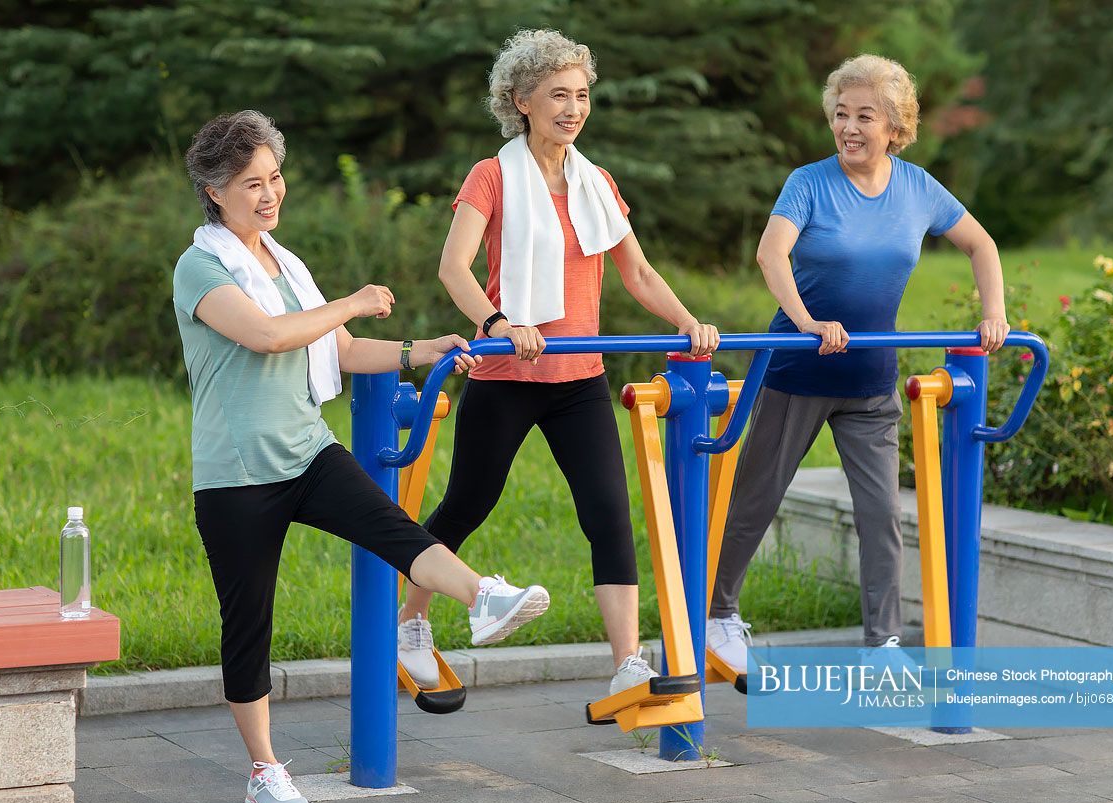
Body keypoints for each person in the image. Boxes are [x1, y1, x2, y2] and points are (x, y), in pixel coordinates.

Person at [175, 110, 551, 803]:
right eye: (252, 183)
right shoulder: (200, 266)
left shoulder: (283, 264)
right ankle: (264, 769)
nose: (269, 193)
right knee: (248, 624)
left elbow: (341, 349)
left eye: (275, 177)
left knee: (394, 528)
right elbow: (266, 335)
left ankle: (483, 597)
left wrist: (420, 349)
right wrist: (351, 301)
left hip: (306, 450)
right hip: (236, 475)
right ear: (215, 191)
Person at [395, 29, 721, 698]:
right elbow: (453, 268)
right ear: (521, 101)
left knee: (608, 516)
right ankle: (408, 625)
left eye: (581, 96)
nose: (573, 109)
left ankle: (627, 664)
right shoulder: (491, 176)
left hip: (578, 379)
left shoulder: (595, 182)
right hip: (507, 376)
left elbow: (637, 272)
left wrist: (687, 322)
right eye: (557, 96)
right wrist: (497, 324)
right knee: (467, 504)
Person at [706, 55, 1010, 671]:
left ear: (895, 127)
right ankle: (718, 616)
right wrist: (806, 322)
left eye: (864, 116)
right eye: (841, 114)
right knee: (756, 500)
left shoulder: (917, 188)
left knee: (881, 516)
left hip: (870, 380)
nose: (848, 127)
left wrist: (994, 313)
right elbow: (771, 255)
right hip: (797, 372)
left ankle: (883, 643)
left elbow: (981, 244)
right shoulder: (809, 183)